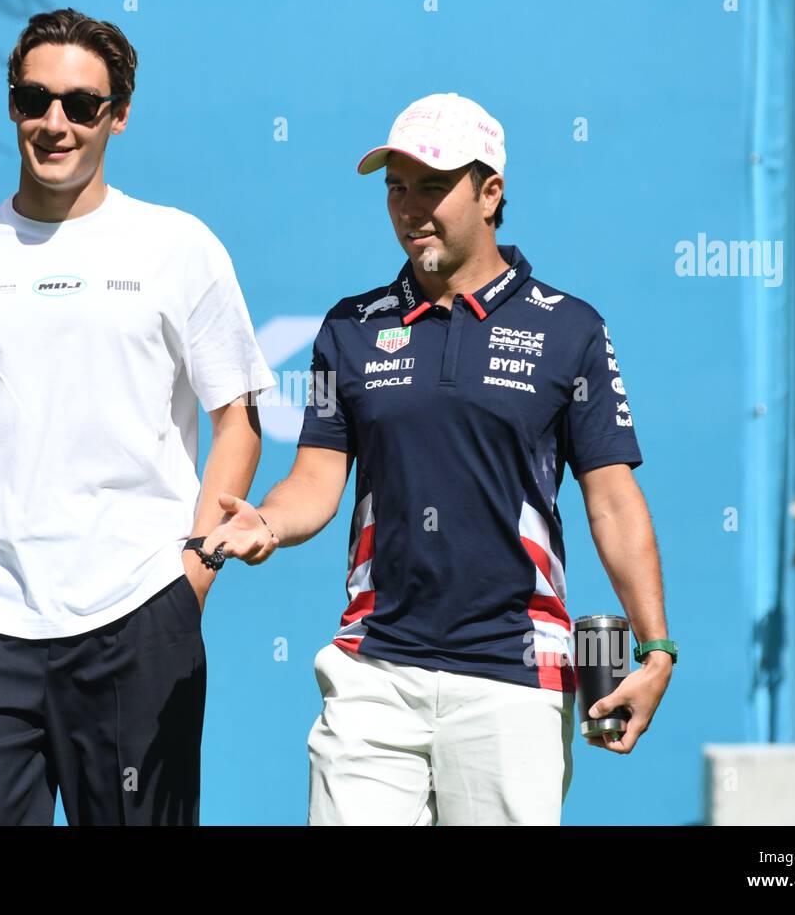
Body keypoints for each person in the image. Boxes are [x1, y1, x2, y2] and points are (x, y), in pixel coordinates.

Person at [202, 92, 675, 825]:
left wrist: (656, 649)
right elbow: (318, 480)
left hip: (515, 677)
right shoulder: (349, 327)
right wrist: (266, 521)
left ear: (491, 194)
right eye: (397, 186)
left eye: (432, 185)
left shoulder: (571, 328)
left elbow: (611, 498)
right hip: (372, 668)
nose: (410, 207)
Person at [0, 8, 276, 825]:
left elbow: (238, 419)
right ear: (13, 105)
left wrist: (187, 578)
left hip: (139, 612)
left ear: (118, 115)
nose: (55, 124)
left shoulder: (178, 245)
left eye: (81, 105)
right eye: (34, 99)